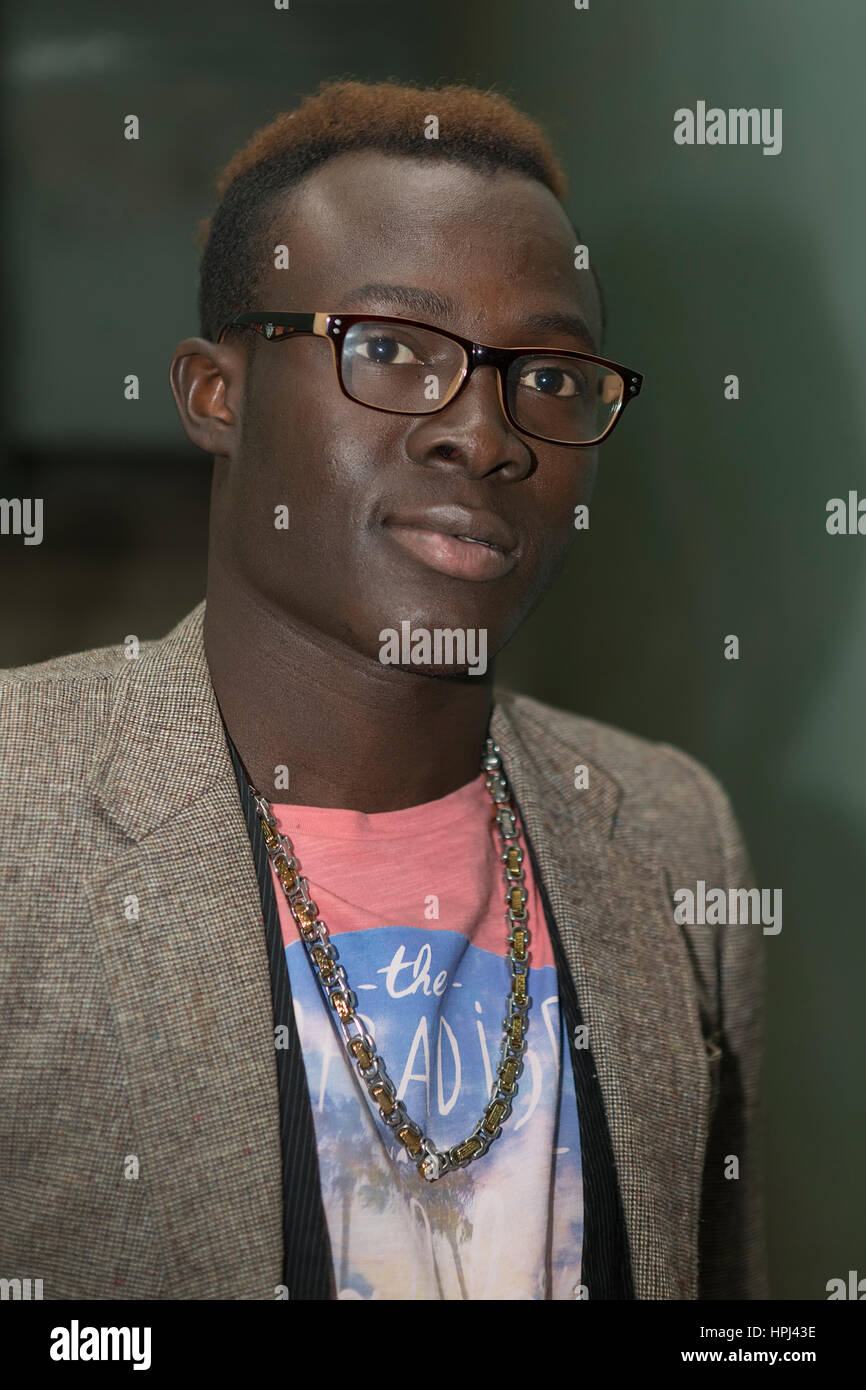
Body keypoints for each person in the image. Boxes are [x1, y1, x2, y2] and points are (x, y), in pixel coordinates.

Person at [0, 79, 766, 1300]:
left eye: (550, 377)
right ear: (216, 394)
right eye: (393, 350)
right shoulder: (19, 809)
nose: (483, 432)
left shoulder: (675, 833)